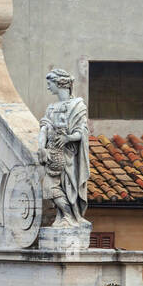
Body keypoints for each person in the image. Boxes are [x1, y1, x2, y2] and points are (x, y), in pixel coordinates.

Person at [37, 69, 90, 224]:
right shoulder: (51, 107)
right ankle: (66, 215)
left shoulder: (77, 105)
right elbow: (44, 128)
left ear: (60, 84)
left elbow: (82, 131)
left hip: (69, 156)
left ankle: (72, 217)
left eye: (49, 84)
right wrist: (42, 148)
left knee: (70, 187)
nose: (48, 88)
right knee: (50, 188)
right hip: (52, 153)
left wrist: (68, 138)